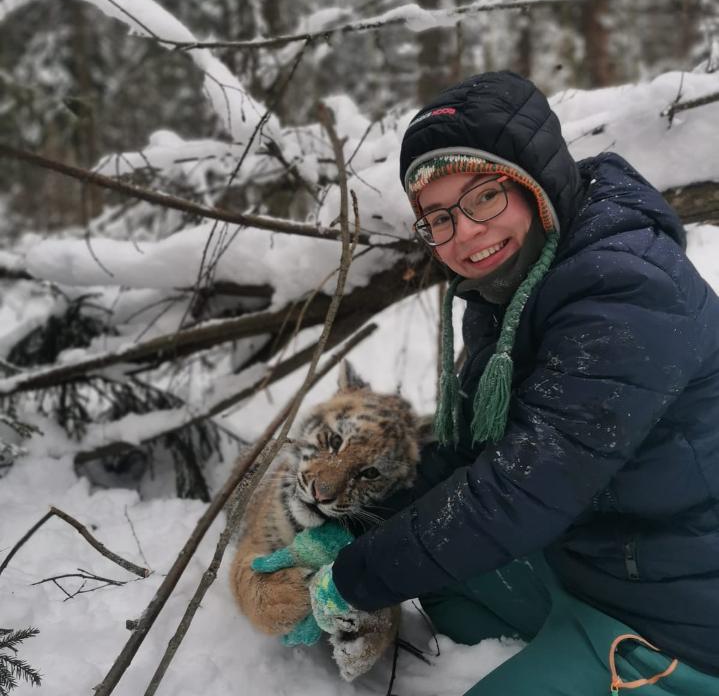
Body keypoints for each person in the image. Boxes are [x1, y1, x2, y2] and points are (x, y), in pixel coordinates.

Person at [280, 71, 719, 694]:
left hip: (678, 615)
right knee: (434, 568)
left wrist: (355, 577)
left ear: (534, 180)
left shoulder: (624, 293)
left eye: (483, 197)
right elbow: (470, 453)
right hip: (595, 564)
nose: (464, 234)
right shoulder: (519, 285)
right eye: (436, 219)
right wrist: (352, 525)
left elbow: (519, 489)